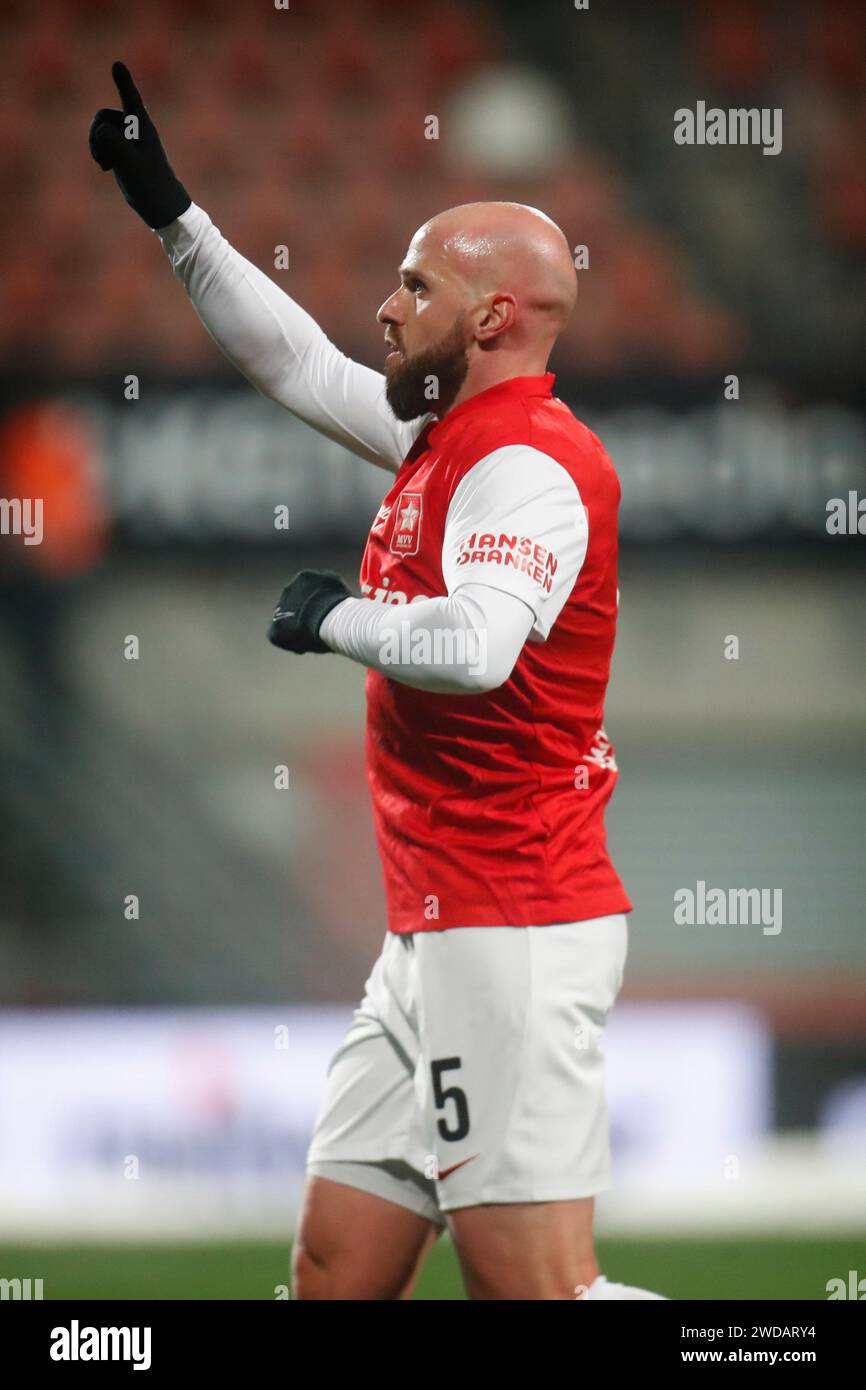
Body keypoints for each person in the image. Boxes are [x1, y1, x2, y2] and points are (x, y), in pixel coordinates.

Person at [90, 63, 667, 1301]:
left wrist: (337, 617)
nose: (385, 306)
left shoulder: (527, 465)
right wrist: (169, 211)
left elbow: (476, 647)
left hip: (513, 923)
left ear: (497, 317)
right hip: (433, 930)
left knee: (536, 1292)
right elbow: (291, 361)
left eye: (418, 286)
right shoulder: (438, 432)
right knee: (331, 1275)